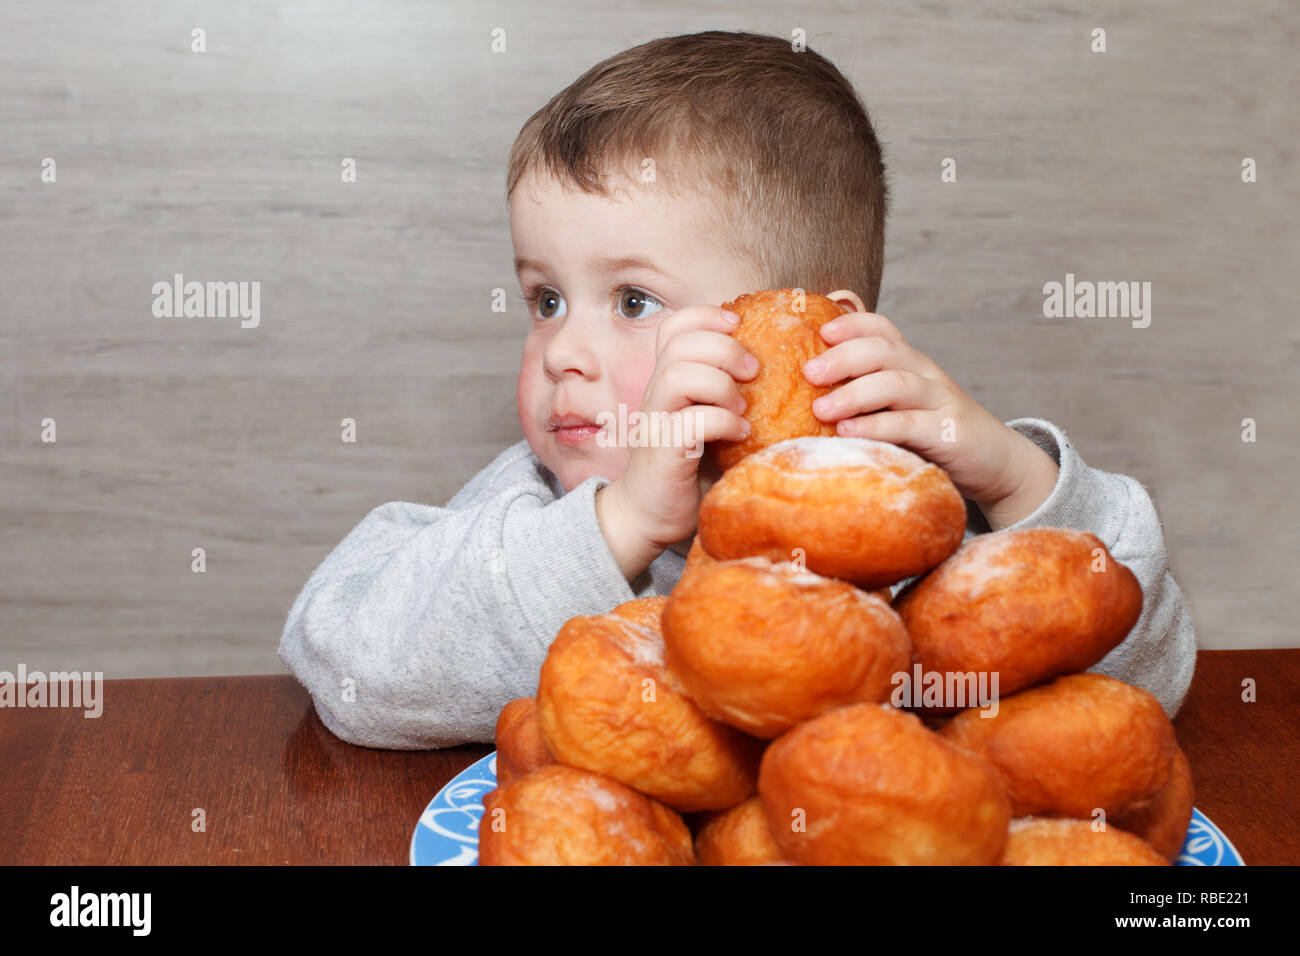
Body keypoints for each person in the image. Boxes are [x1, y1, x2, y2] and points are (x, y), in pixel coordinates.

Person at [278, 30, 1195, 749]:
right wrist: (621, 526)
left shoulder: (917, 520)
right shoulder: (537, 503)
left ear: (806, 339)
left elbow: (1147, 678)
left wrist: (1017, 480)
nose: (564, 350)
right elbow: (345, 659)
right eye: (546, 299)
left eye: (632, 300)